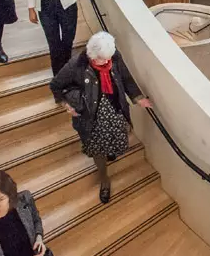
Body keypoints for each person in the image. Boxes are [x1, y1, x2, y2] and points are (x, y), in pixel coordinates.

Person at [49, 32, 154, 203]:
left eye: (108, 58)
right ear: (91, 55)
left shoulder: (114, 56)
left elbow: (126, 78)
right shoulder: (76, 65)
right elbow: (55, 85)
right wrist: (66, 105)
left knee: (117, 135)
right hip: (91, 115)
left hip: (113, 106)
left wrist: (138, 98)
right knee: (98, 147)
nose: (106, 62)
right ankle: (104, 179)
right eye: (102, 59)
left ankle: (111, 151)